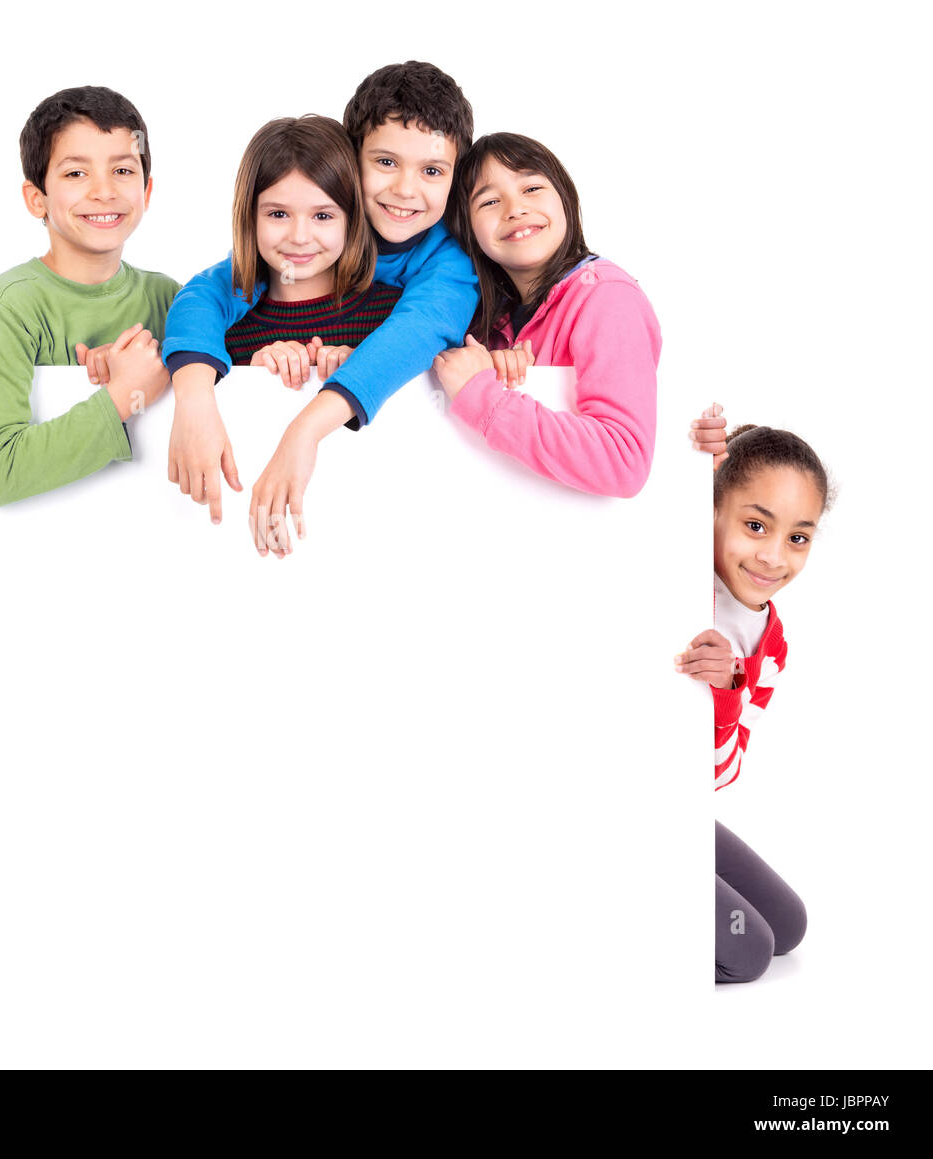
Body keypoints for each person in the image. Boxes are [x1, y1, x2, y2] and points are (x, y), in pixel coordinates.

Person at [160, 61, 480, 550]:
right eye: (386, 162)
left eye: (432, 170)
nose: (405, 190)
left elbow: (416, 332)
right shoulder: (307, 241)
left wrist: (305, 430)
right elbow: (208, 294)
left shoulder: (448, 262)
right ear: (349, 163)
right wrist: (196, 395)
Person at [0, 86, 179, 506]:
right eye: (76, 173)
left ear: (147, 192)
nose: (104, 191)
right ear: (36, 199)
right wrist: (121, 395)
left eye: (123, 170)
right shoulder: (7, 308)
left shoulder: (170, 298)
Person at [680, 407, 833, 982]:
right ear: (714, 511)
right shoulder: (678, 571)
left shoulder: (772, 642)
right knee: (747, 953)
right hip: (632, 806)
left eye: (798, 537)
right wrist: (696, 460)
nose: (773, 557)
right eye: (755, 526)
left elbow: (719, 773)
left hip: (685, 799)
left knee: (788, 927)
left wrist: (725, 691)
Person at [433, 132, 660, 498]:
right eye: (490, 201)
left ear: (565, 198)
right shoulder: (487, 317)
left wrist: (482, 395)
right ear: (468, 231)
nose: (515, 209)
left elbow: (624, 461)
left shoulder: (606, 297)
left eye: (532, 188)